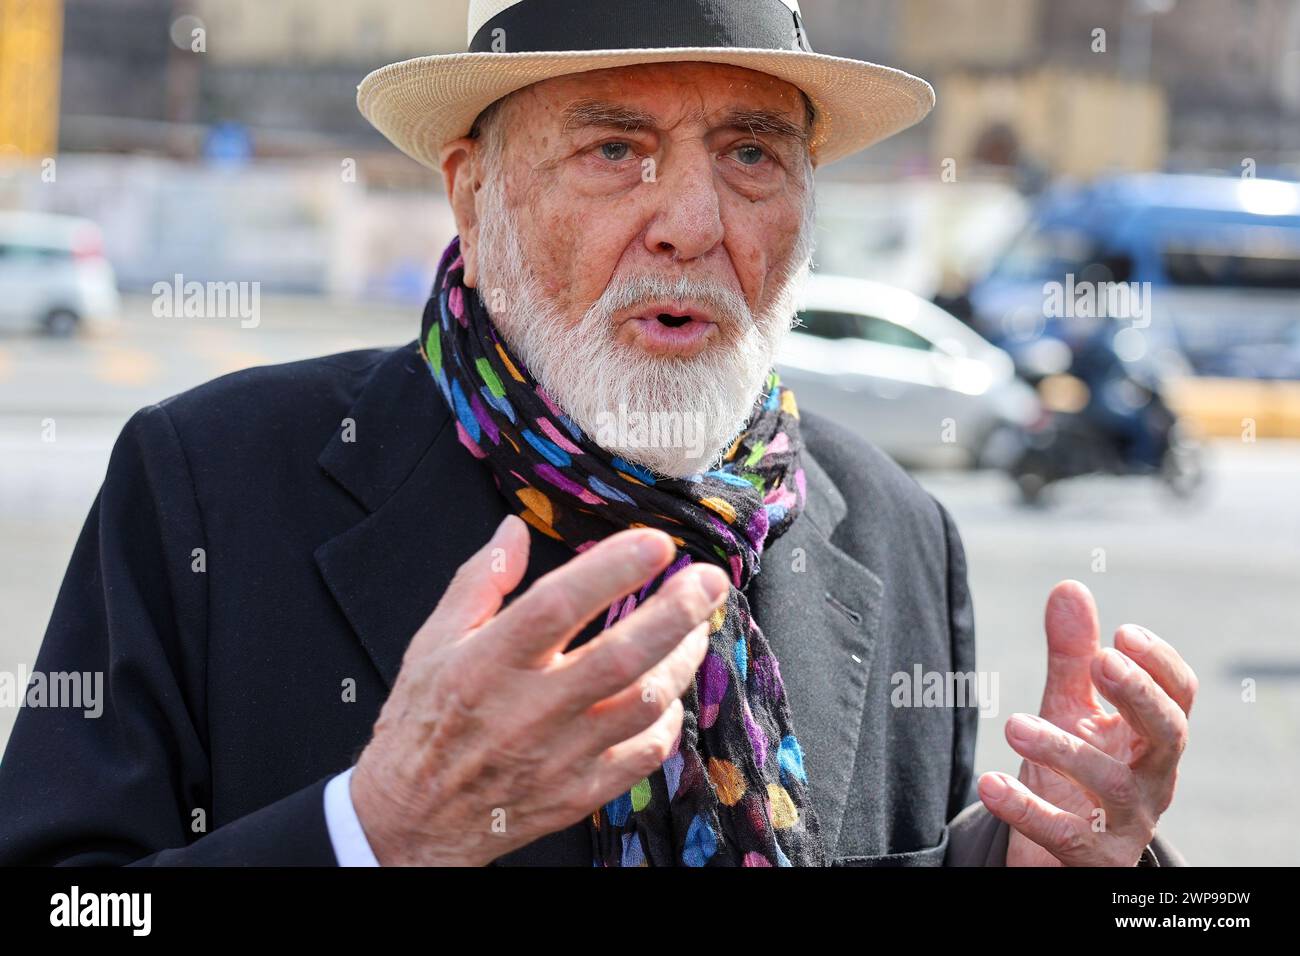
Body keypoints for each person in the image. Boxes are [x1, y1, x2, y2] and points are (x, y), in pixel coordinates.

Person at [0, 0, 1194, 867]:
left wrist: (1036, 860)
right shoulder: (210, 482)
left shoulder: (889, 526)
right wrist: (374, 831)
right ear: (474, 191)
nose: (689, 219)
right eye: (614, 148)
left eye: (749, 154)